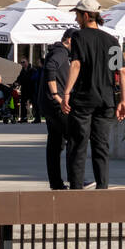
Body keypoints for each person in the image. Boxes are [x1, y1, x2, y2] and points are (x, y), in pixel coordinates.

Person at [62, 0, 125, 191]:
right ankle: (102, 187)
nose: (75, 18)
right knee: (101, 145)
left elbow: (76, 64)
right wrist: (123, 100)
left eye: (77, 15)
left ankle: (76, 189)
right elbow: (122, 72)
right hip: (106, 101)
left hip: (83, 99)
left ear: (86, 15)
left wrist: (66, 92)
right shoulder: (112, 40)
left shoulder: (79, 37)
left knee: (77, 145)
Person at [43, 28, 75, 190]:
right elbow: (50, 67)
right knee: (75, 138)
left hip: (48, 104)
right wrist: (56, 94)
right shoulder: (61, 52)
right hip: (56, 104)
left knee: (55, 144)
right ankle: (75, 179)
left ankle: (56, 183)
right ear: (69, 40)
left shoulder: (56, 51)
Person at [16, 58, 33, 122]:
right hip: (24, 89)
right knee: (23, 103)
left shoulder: (32, 69)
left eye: (24, 62)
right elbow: (19, 78)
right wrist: (16, 82)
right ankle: (23, 117)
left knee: (33, 103)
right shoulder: (22, 70)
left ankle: (37, 117)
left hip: (31, 89)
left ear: (27, 62)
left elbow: (31, 79)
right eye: (21, 62)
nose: (22, 63)